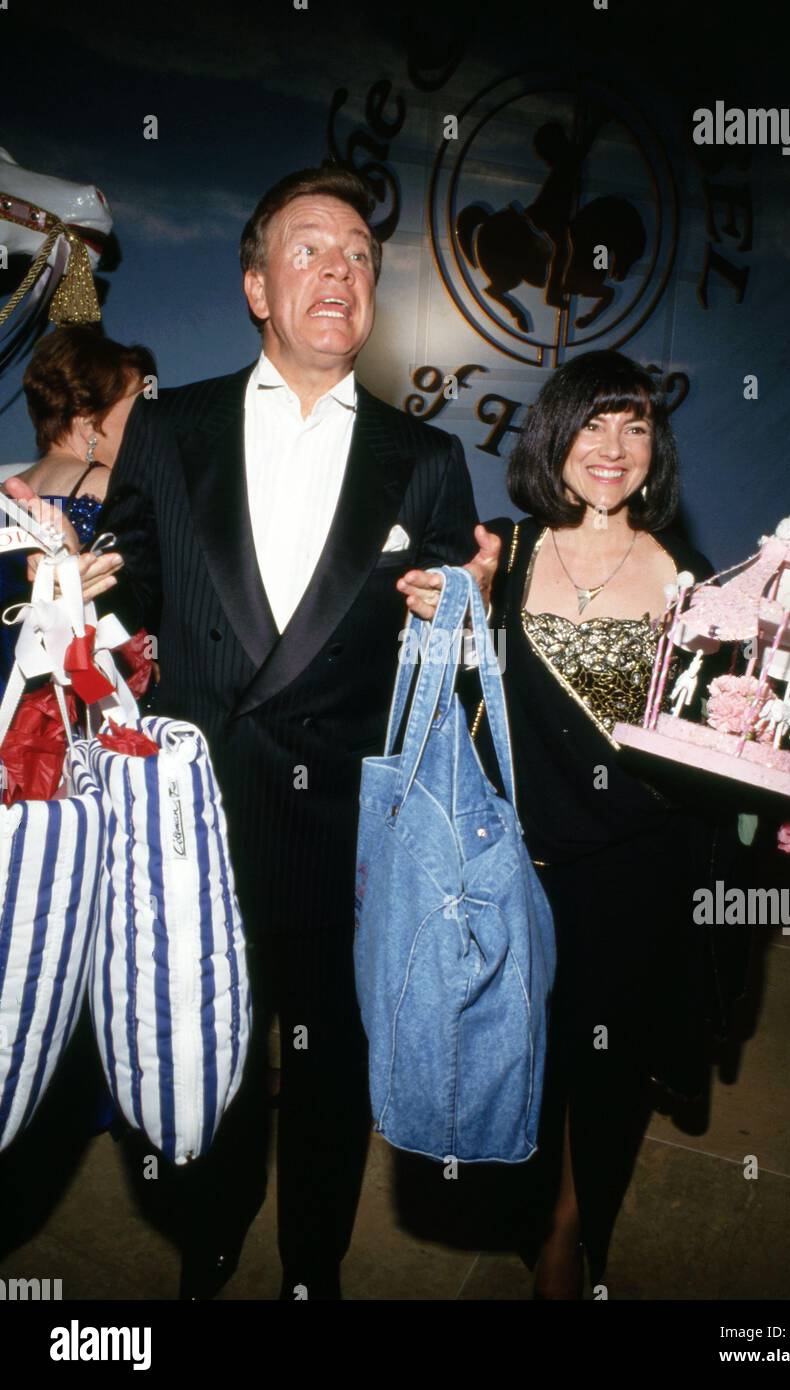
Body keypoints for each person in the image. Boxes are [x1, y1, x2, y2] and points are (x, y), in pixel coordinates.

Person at [11, 161, 498, 1301]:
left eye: (359, 257)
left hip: (343, 836)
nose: (339, 270)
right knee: (203, 1052)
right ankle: (210, 1238)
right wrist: (84, 593)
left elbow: (449, 669)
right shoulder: (170, 428)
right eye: (309, 250)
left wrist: (462, 620)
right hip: (197, 823)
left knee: (330, 1068)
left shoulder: (424, 460)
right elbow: (132, 586)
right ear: (256, 288)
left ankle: (314, 1265)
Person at [409, 350, 751, 1298]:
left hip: (636, 874)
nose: (613, 446)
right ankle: (523, 1207)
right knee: (516, 1057)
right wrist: (453, 615)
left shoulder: (693, 580)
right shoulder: (502, 554)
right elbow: (452, 701)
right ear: (552, 436)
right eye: (593, 423)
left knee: (607, 1068)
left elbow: (722, 741)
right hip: (516, 866)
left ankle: (569, 1232)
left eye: (635, 425)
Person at [0, 326, 155, 681]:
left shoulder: (8, 489)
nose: (148, 427)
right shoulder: (112, 485)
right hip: (81, 693)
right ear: (88, 425)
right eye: (138, 410)